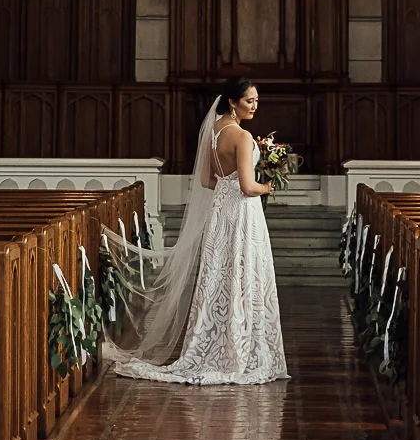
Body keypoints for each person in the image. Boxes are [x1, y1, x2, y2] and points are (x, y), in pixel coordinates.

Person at [105, 76, 289, 384]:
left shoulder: (214, 133)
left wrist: (230, 186)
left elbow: (206, 180)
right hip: (243, 214)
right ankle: (241, 350)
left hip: (221, 213)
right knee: (243, 274)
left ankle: (214, 343)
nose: (255, 106)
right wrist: (266, 186)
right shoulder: (242, 137)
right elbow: (247, 186)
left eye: (257, 100)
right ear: (232, 102)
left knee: (220, 275)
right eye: (249, 101)